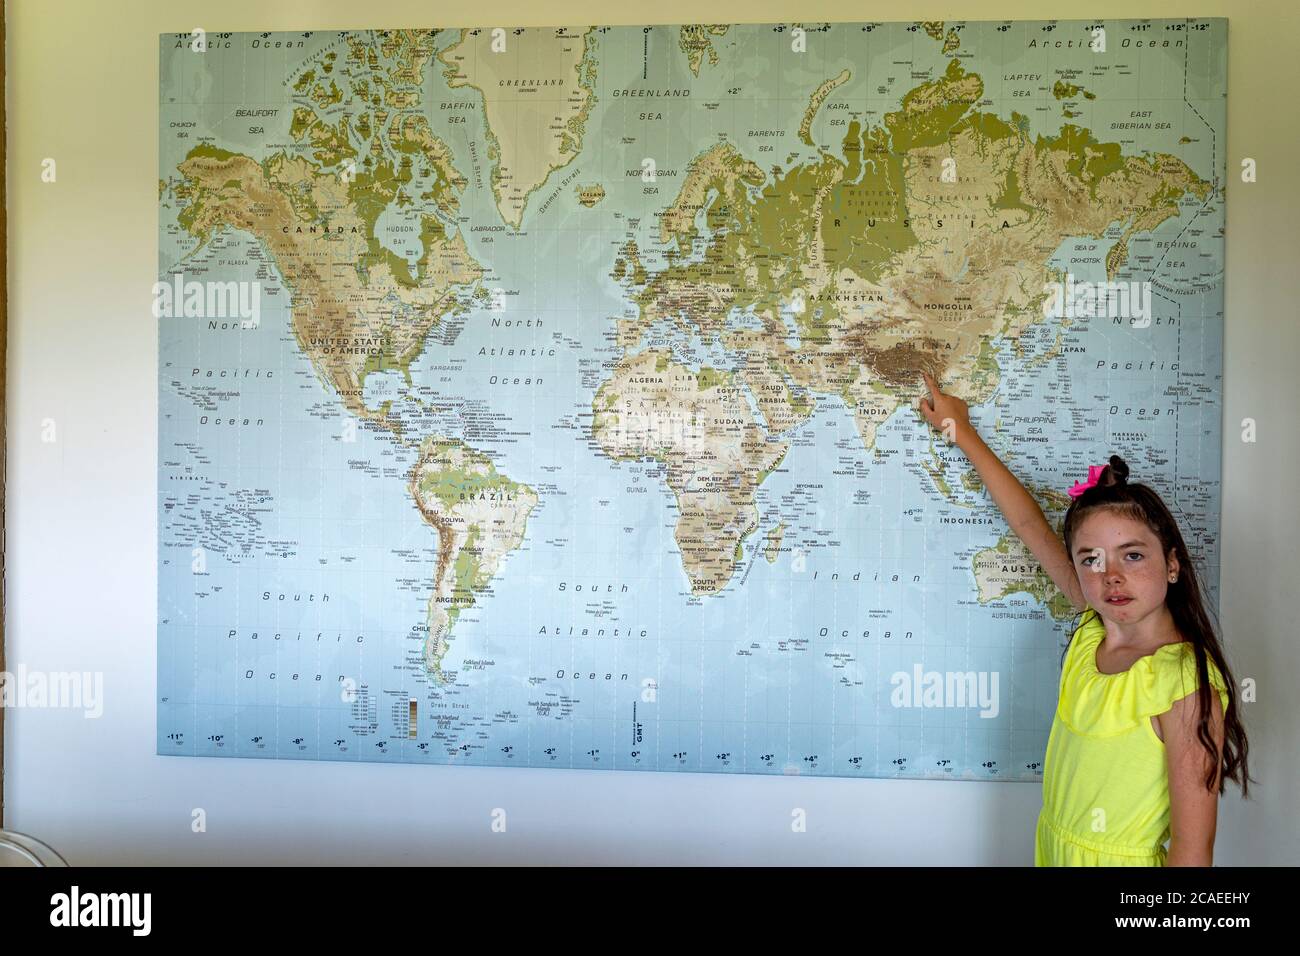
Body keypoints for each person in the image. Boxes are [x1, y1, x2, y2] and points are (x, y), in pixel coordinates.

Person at [914, 371, 1252, 866]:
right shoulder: (1093, 627)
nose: (1110, 576)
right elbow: (1030, 524)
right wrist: (962, 433)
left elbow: (1192, 847)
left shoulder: (1183, 686)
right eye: (1090, 559)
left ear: (1172, 564)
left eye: (1132, 556)